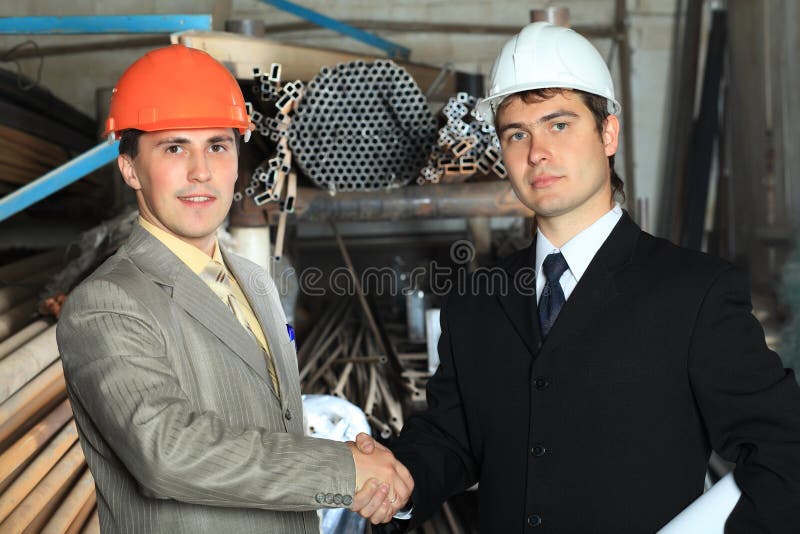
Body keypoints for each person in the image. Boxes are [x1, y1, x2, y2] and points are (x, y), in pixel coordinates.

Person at [358, 21, 800, 533]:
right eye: (516, 133)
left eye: (559, 124)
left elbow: (785, 451)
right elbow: (453, 438)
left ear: (608, 132)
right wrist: (403, 476)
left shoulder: (694, 293)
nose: (536, 151)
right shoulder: (480, 298)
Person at [56, 44, 411, 533]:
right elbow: (167, 451)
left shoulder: (255, 284)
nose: (201, 171)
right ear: (131, 168)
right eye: (174, 147)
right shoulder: (107, 304)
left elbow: (272, 426)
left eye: (218, 146)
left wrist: (356, 464)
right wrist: (343, 469)